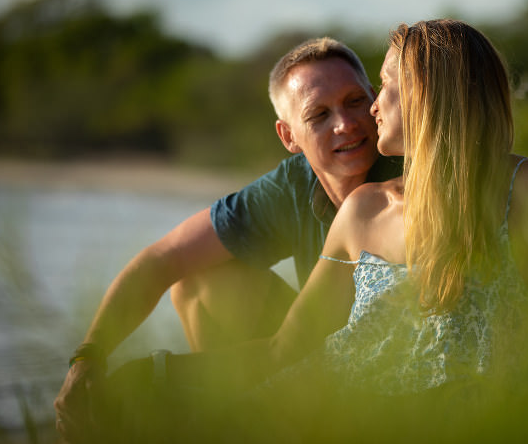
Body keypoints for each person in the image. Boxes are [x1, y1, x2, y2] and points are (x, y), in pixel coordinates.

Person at [97, 19, 528, 442]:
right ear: (290, 135)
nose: (372, 108)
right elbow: (284, 349)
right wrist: (152, 372)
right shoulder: (363, 210)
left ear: (426, 95)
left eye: (381, 88)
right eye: (321, 114)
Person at [53, 37, 401, 442]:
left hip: (388, 379)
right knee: (200, 283)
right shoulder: (293, 185)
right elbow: (163, 258)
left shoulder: (410, 178)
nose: (345, 124)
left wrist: (157, 375)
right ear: (288, 136)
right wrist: (89, 356)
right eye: (319, 114)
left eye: (355, 101)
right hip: (312, 346)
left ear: (375, 100)